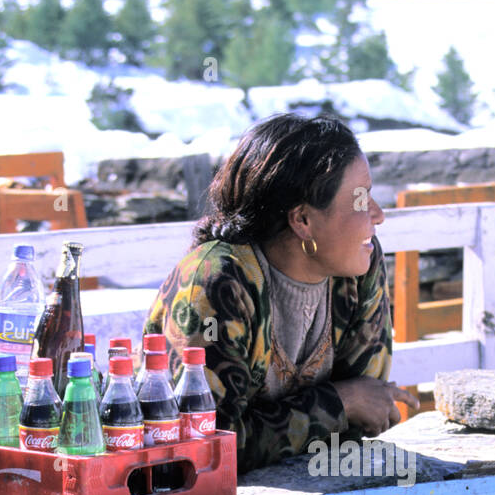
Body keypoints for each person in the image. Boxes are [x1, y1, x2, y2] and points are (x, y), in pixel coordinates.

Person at [145, 114, 419, 473]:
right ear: (302, 220)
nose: (378, 214)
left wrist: (349, 407)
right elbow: (206, 445)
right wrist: (340, 402)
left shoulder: (357, 267)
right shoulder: (217, 283)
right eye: (360, 199)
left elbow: (369, 414)